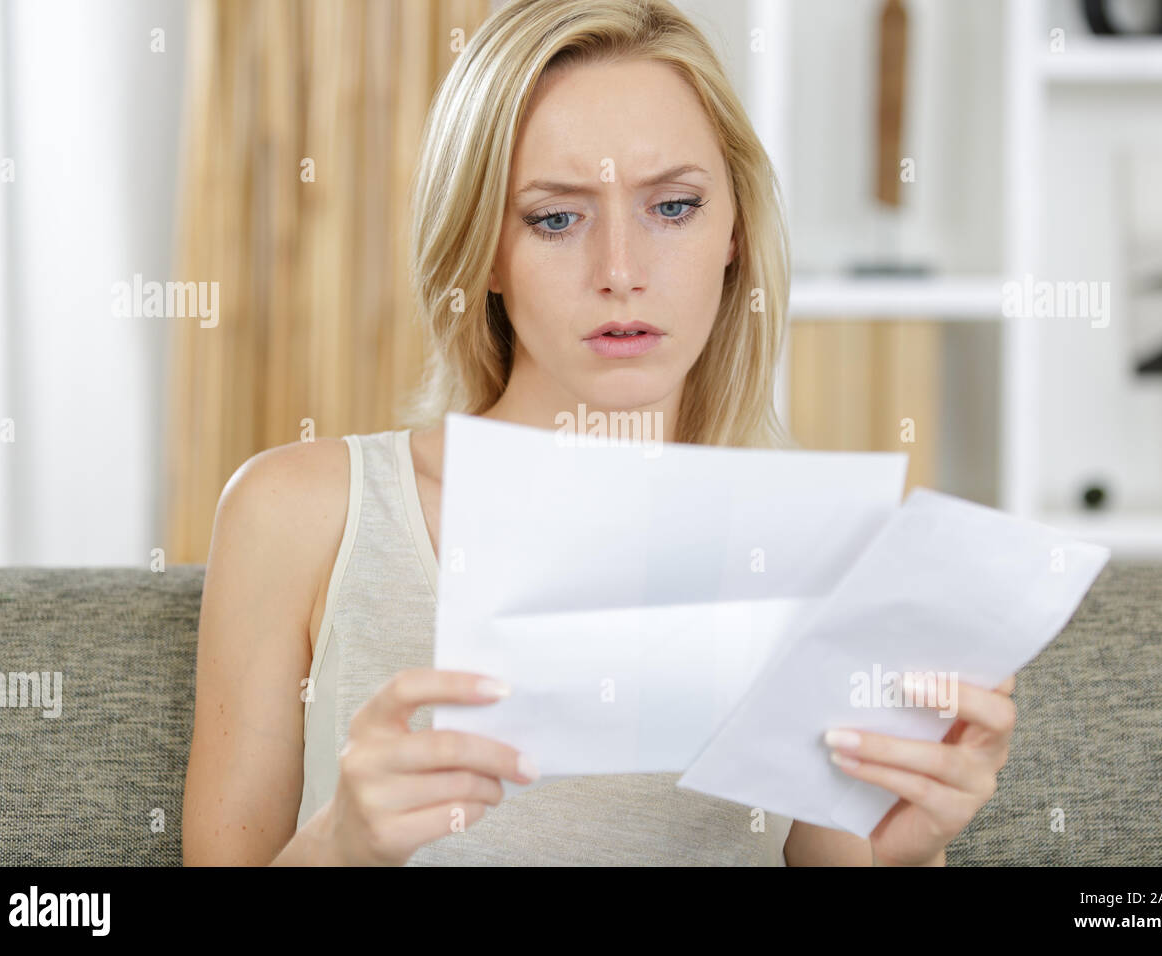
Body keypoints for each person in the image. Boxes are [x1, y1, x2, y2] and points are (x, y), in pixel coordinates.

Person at [181, 0, 1016, 866]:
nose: (621, 272)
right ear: (486, 252)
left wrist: (905, 850)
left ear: (735, 230)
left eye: (674, 207)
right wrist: (341, 845)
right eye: (556, 217)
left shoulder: (821, 559)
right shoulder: (300, 514)